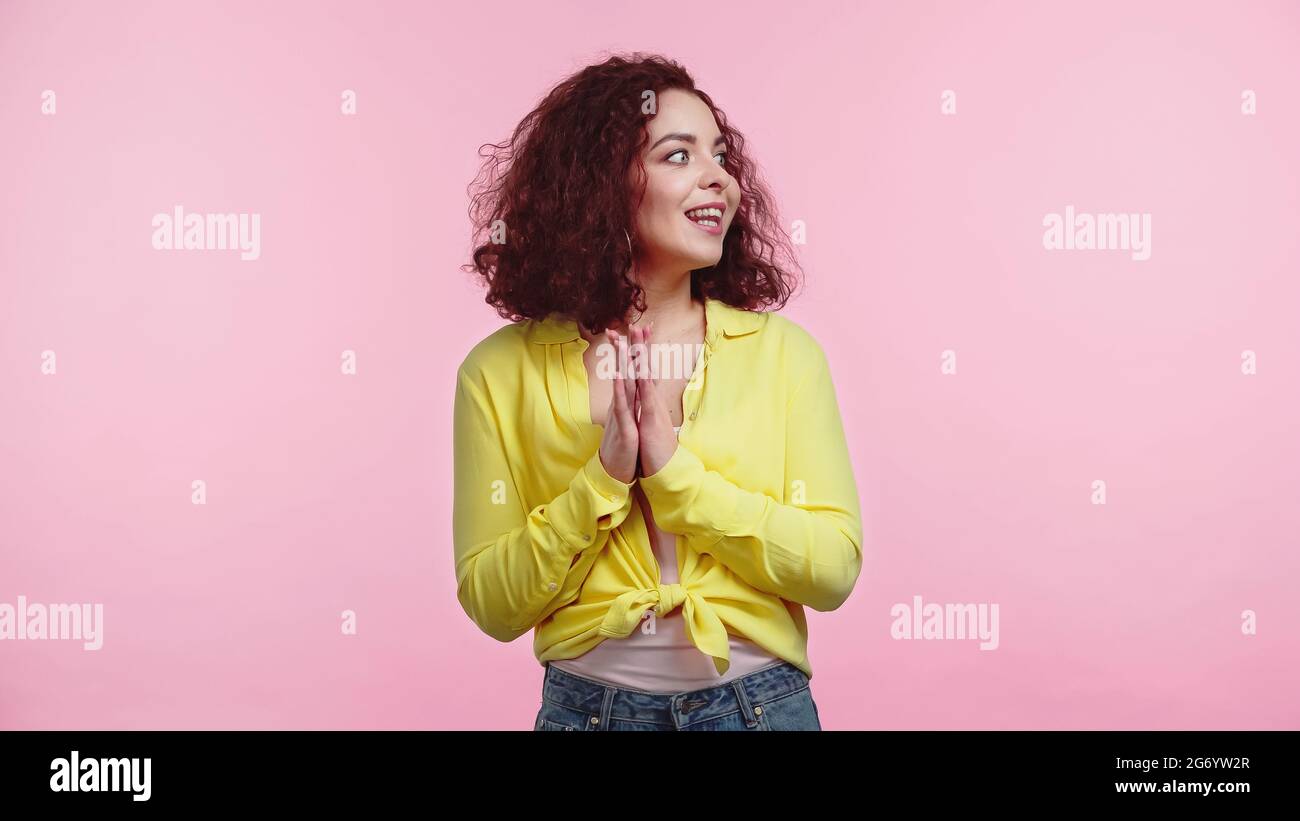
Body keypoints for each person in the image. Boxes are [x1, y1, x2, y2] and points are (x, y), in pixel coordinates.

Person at [454, 53, 863, 730]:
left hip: (759, 708)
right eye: (679, 155)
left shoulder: (785, 356)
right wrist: (602, 479)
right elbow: (495, 606)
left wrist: (676, 476)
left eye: (720, 154)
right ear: (599, 187)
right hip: (588, 712)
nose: (719, 180)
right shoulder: (497, 373)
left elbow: (833, 570)